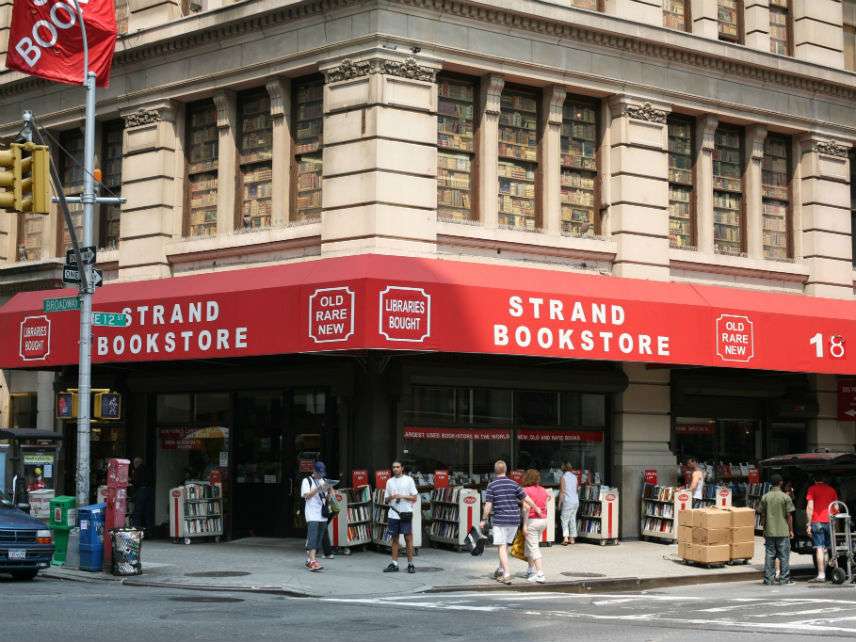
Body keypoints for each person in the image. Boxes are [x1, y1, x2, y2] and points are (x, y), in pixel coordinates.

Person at [479, 460, 542, 585]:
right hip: (514, 519)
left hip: (501, 519)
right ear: (506, 470)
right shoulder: (514, 484)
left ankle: (506, 573)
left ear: (495, 470)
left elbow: (488, 505)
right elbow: (526, 498)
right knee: (505, 545)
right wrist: (536, 508)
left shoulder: (492, 485)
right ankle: (501, 568)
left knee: (501, 547)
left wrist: (483, 519)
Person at [759, 474, 795, 586]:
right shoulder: (785, 497)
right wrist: (791, 530)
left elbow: (763, 515)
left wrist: (764, 529)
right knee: (784, 556)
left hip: (770, 531)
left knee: (769, 555)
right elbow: (789, 515)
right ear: (780, 483)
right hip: (783, 531)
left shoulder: (765, 497)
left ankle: (768, 579)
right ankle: (784, 579)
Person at [383, 460, 418, 574]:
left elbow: (414, 498)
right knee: (394, 539)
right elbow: (386, 499)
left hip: (405, 513)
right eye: (393, 467)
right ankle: (394, 563)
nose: (395, 469)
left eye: (398, 467)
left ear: (402, 468)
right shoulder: (389, 481)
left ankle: (410, 564)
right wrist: (392, 497)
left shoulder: (409, 480)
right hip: (393, 513)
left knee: (408, 539)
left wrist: (401, 496)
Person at [806, 474, 839, 583]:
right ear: (824, 479)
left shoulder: (812, 489)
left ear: (815, 480)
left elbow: (810, 507)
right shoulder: (831, 490)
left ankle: (821, 575)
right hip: (830, 521)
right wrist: (835, 523)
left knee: (819, 548)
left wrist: (808, 524)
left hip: (817, 521)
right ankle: (834, 570)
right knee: (830, 547)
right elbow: (836, 507)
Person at [301, 461, 330, 572]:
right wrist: (318, 489)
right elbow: (306, 496)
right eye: (319, 473)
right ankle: (312, 561)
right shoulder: (307, 481)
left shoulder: (323, 480)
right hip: (312, 513)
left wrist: (330, 491)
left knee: (318, 537)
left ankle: (309, 560)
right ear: (314, 471)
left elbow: (325, 498)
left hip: (322, 514)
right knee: (313, 536)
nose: (321, 475)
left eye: (322, 473)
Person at [521, 469, 548, 583]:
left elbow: (526, 508)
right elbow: (547, 500)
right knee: (530, 545)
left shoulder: (525, 490)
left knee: (533, 547)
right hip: (543, 520)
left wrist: (524, 525)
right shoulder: (543, 490)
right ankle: (530, 570)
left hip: (532, 520)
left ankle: (540, 573)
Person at [557, 463, 579, 545]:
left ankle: (565, 537)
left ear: (563, 469)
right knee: (572, 518)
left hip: (568, 501)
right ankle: (572, 538)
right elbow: (576, 489)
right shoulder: (575, 477)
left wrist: (559, 503)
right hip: (575, 501)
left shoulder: (563, 477)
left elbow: (562, 491)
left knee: (564, 519)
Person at [130, 457, 154, 533]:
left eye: (134, 463)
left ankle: (136, 531)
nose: (134, 465)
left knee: (137, 512)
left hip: (141, 491)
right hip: (149, 491)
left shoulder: (138, 470)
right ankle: (149, 532)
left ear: (136, 463)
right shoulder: (147, 469)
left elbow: (136, 482)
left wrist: (130, 480)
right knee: (147, 512)